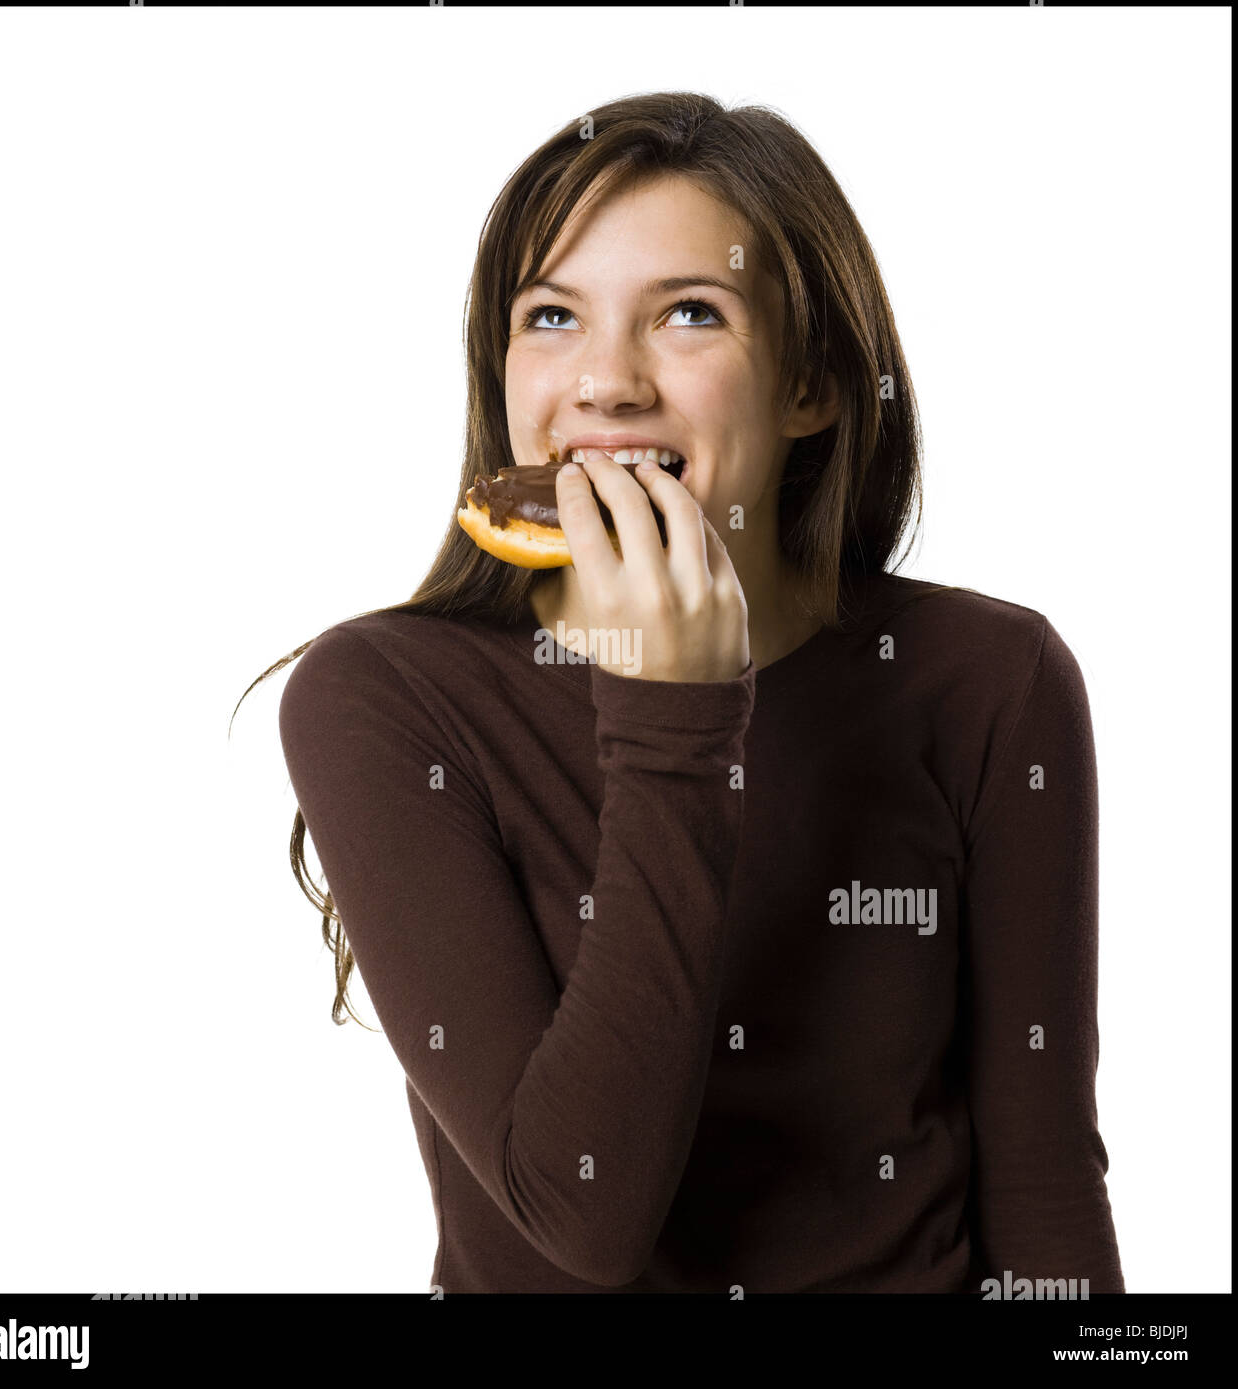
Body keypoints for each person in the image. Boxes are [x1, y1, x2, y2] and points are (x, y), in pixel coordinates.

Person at [244, 91, 1125, 1294]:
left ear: (812, 383)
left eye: (687, 316)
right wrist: (674, 720)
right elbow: (581, 1217)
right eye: (551, 316)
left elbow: (1045, 1189)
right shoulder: (386, 698)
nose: (604, 384)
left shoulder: (985, 680)